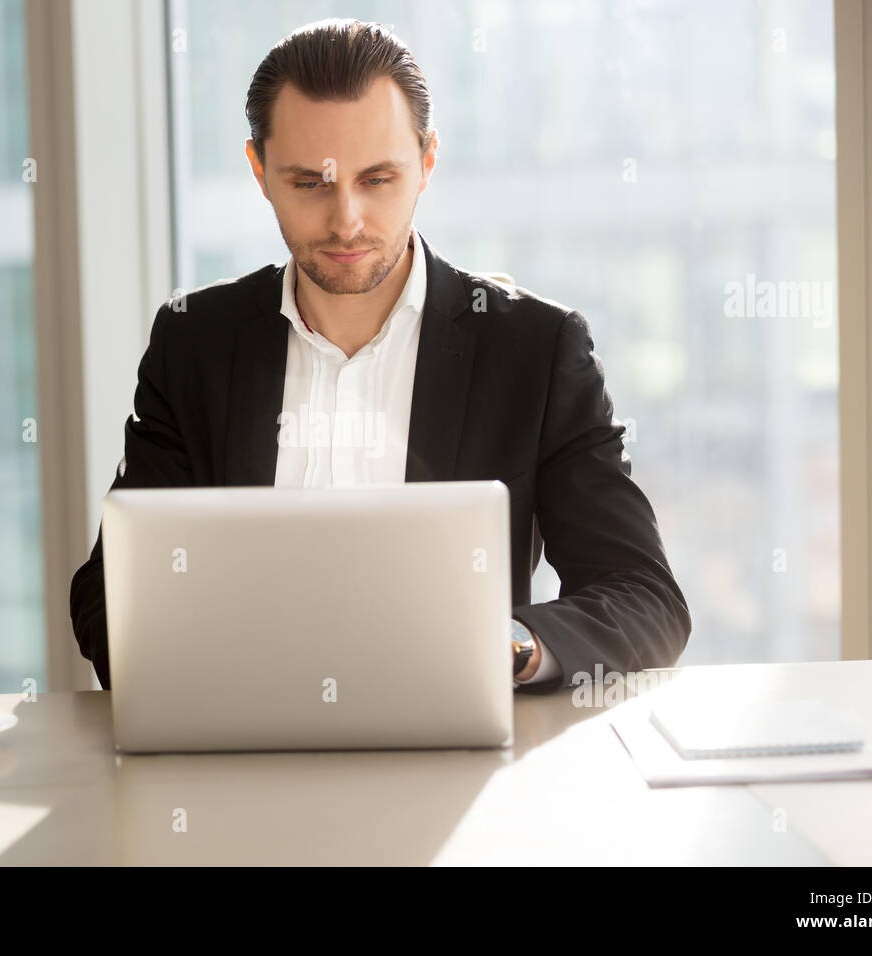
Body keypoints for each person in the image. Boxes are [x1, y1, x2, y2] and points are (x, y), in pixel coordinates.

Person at [69, 18, 691, 694]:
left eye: (378, 179)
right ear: (259, 171)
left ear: (427, 163)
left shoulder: (535, 350)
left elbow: (644, 600)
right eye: (310, 183)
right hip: (239, 749)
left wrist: (506, 646)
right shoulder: (195, 344)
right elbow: (106, 599)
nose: (347, 221)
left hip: (453, 757)